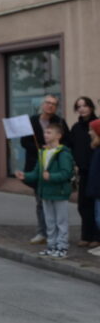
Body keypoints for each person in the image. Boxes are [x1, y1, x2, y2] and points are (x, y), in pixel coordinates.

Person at [16, 122, 74, 259]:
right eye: (45, 132)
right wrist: (25, 176)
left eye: (49, 133)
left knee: (61, 221)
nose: (45, 135)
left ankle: (62, 247)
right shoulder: (43, 152)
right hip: (46, 192)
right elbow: (37, 173)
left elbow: (67, 173)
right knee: (50, 221)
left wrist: (51, 176)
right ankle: (51, 245)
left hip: (59, 193)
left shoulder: (63, 153)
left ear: (58, 136)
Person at [21, 95, 68, 244]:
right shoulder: (32, 121)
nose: (50, 106)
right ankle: (42, 232)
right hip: (36, 164)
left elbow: (67, 142)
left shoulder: (59, 122)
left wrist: (54, 148)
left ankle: (56, 234)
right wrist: (40, 149)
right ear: (42, 104)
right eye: (48, 103)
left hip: (54, 167)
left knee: (55, 204)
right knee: (40, 201)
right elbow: (24, 142)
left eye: (54, 104)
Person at [68, 96, 100, 248]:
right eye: (78, 106)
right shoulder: (76, 128)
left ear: (91, 107)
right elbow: (70, 146)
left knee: (96, 206)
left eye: (85, 105)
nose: (82, 109)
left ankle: (97, 236)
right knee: (83, 205)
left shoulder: (96, 124)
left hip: (96, 170)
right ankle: (86, 235)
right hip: (83, 171)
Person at [85, 120, 100, 257]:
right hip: (96, 190)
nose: (89, 133)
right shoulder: (96, 149)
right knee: (97, 218)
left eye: (91, 130)